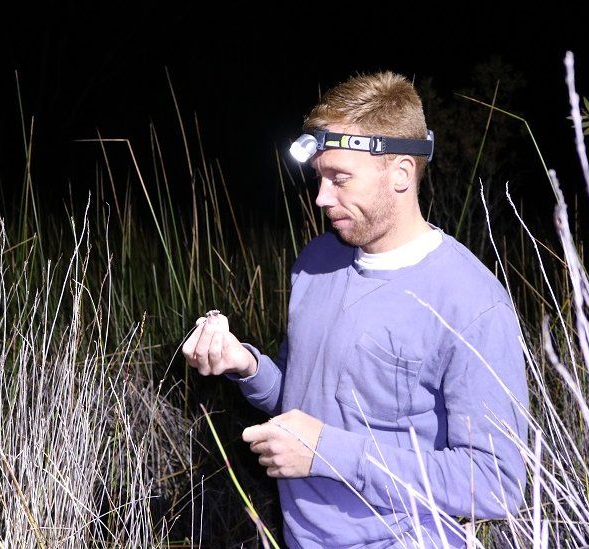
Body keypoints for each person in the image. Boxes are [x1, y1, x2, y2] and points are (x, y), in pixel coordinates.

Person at [182, 70, 529, 548]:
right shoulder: (317, 263)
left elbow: (493, 483)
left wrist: (327, 452)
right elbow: (307, 397)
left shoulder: (470, 302)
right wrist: (244, 365)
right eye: (320, 177)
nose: (322, 197)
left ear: (401, 174)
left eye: (340, 178)